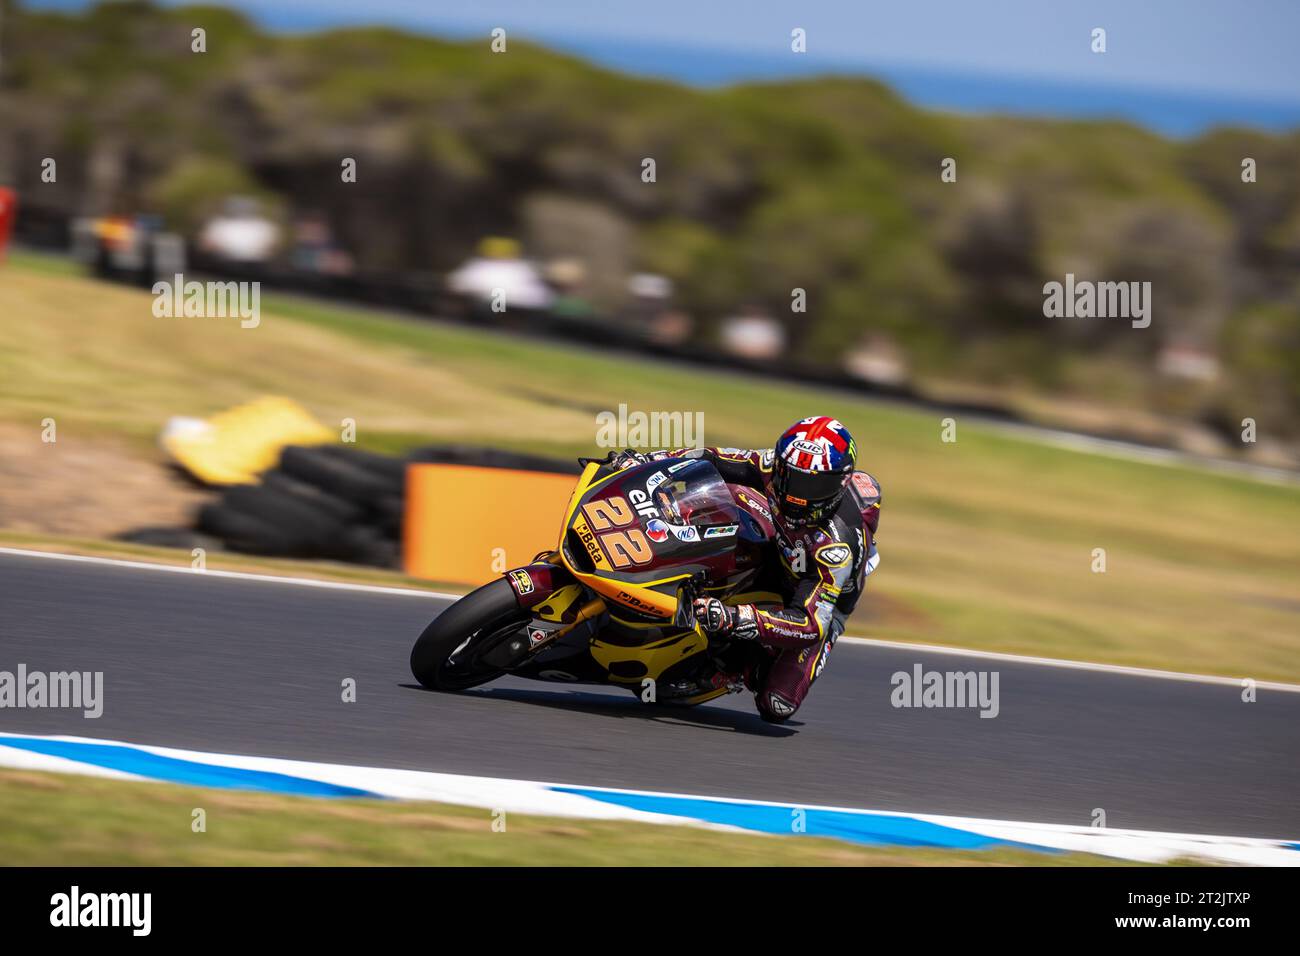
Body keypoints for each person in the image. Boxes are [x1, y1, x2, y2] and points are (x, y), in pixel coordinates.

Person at [612, 416, 881, 722]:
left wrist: (736, 618)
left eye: (812, 485)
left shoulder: (835, 546)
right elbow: (709, 456)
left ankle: (736, 670)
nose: (795, 494)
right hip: (776, 547)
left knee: (777, 703)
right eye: (790, 477)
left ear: (839, 484)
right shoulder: (773, 465)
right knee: (715, 495)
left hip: (814, 600)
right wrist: (647, 460)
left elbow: (809, 623)